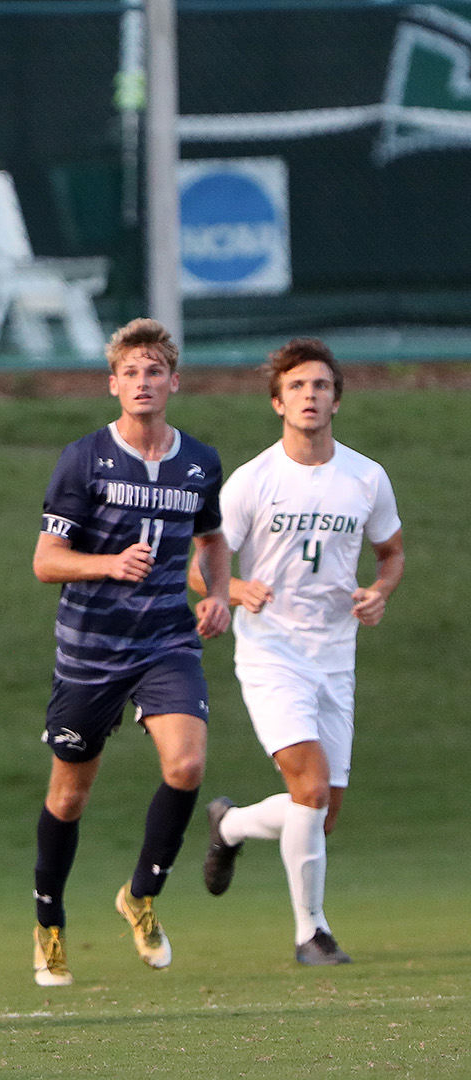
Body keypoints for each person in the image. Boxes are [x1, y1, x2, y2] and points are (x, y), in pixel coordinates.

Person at [29, 318, 232, 987]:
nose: (143, 382)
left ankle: (140, 895)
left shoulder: (199, 463)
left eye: (154, 371)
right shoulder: (85, 458)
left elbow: (211, 539)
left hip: (165, 641)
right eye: (131, 372)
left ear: (174, 382)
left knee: (187, 764)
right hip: (90, 650)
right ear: (113, 384)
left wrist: (218, 595)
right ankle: (49, 923)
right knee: (69, 799)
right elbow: (46, 561)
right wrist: (109, 564)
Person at [189, 339, 403, 966]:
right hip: (271, 653)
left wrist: (379, 591)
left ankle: (230, 825)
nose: (310, 395)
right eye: (297, 386)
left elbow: (390, 553)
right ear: (278, 402)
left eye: (321, 385)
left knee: (321, 813)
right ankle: (312, 933)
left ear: (337, 399)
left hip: (335, 655)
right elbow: (199, 567)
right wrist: (235, 588)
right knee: (309, 788)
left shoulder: (366, 477)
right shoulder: (253, 481)